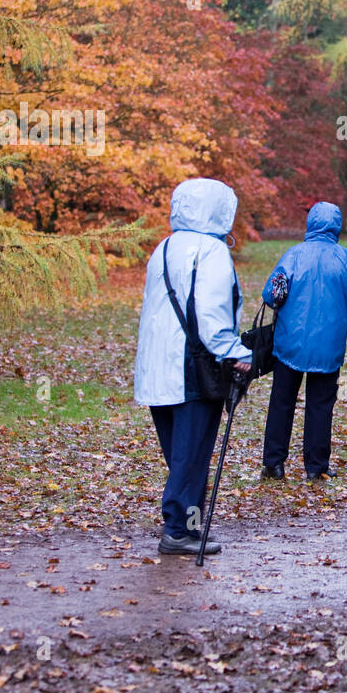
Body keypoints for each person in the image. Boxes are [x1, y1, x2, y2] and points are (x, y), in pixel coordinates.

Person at [134, 178, 252, 556]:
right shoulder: (212, 251)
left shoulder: (164, 247)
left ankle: (187, 523)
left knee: (179, 453)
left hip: (157, 367)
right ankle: (178, 529)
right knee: (193, 451)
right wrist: (237, 352)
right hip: (192, 368)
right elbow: (211, 314)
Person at [259, 202, 347, 481]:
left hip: (290, 343)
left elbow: (270, 294)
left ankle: (274, 463)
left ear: (310, 223)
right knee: (321, 405)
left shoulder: (293, 256)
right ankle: (316, 466)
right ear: (336, 225)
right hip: (328, 345)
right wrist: (339, 314)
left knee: (282, 401)